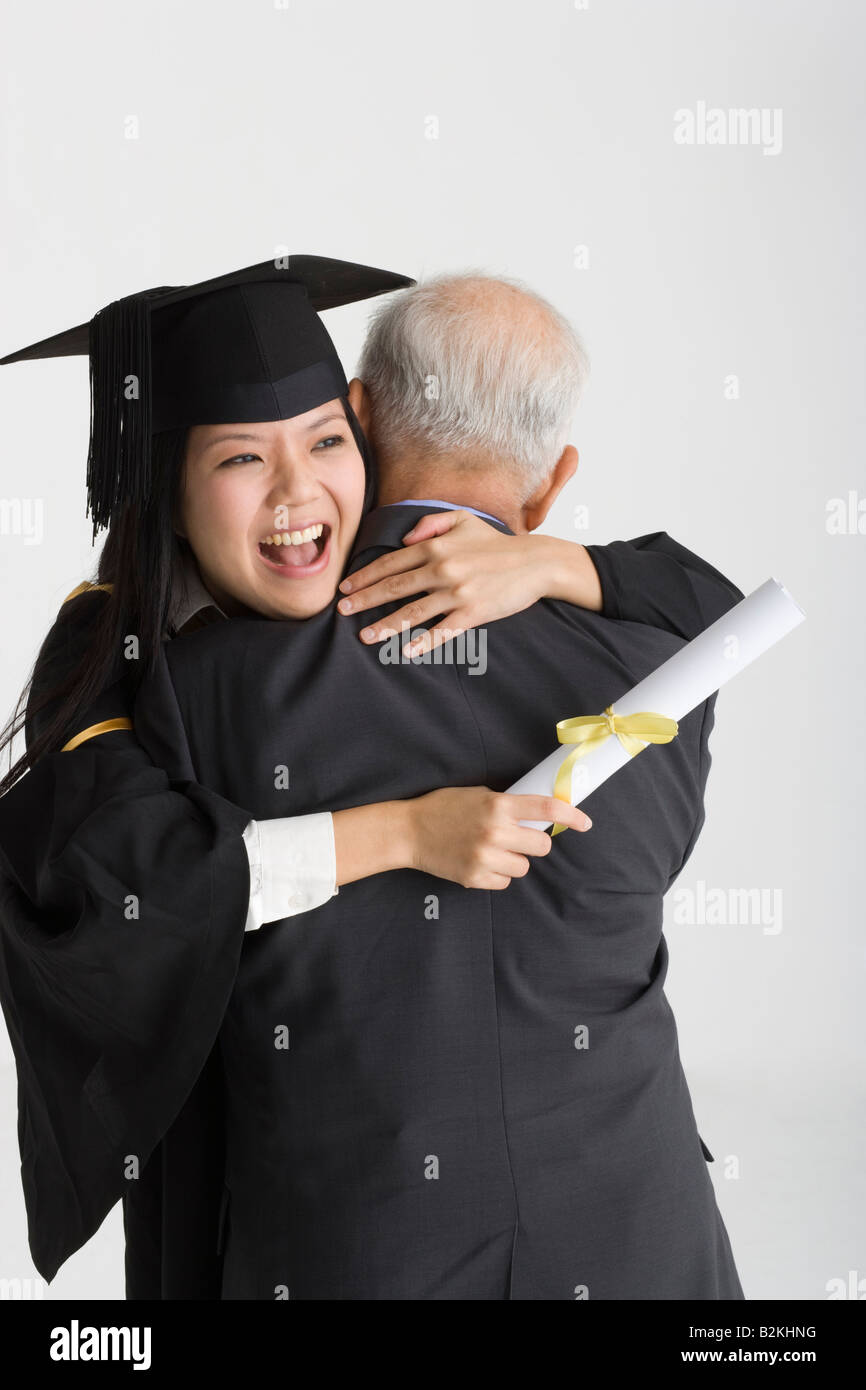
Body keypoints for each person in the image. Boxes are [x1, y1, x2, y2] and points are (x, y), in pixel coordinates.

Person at [0, 257, 741, 1296]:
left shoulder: (195, 693)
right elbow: (729, 611)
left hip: (346, 1252)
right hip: (646, 1247)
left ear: (359, 415)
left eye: (320, 442)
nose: (299, 493)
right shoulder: (669, 663)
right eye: (241, 458)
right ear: (555, 476)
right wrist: (565, 569)